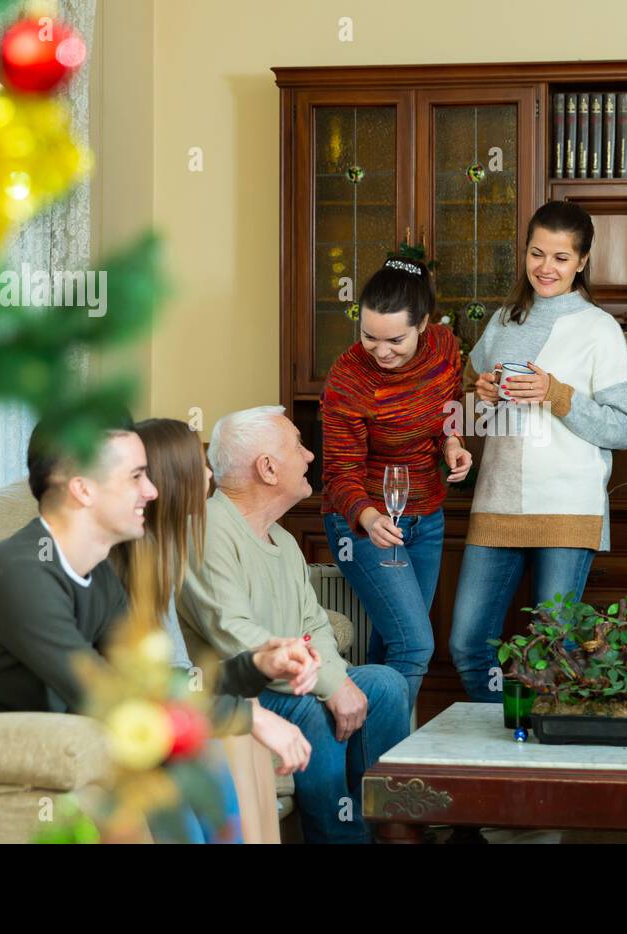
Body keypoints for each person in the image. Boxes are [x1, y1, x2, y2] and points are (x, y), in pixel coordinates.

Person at [0, 419, 316, 842]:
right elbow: (106, 699)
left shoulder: (97, 574)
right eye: (136, 477)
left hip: (46, 738)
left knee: (185, 766)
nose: (152, 491)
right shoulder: (22, 576)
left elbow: (151, 684)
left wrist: (256, 666)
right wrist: (247, 715)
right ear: (83, 489)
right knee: (165, 780)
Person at [179, 405, 411, 844]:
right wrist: (328, 686)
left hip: (294, 677)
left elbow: (315, 623)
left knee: (386, 683)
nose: (310, 456)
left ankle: (391, 829)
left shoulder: (283, 541)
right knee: (311, 707)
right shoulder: (206, 531)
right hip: (238, 686)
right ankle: (339, 838)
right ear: (267, 468)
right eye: (299, 447)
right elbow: (235, 637)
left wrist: (336, 679)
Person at [448, 199, 627, 702]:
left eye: (560, 257)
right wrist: (479, 395)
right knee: (468, 644)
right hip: (497, 500)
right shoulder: (503, 322)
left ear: (581, 262)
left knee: (554, 648)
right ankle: (508, 739)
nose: (545, 268)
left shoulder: (600, 330)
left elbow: (624, 429)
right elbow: (467, 403)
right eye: (537, 253)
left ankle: (539, 757)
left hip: (566, 507)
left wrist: (556, 394)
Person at [109, 418, 318, 842]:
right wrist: (248, 712)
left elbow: (181, 674)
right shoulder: (123, 564)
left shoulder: (159, 554)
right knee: (229, 740)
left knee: (236, 737)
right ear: (172, 479)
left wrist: (260, 664)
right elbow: (153, 687)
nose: (209, 475)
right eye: (199, 465)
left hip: (155, 713)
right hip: (124, 727)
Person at [321, 257, 470, 709]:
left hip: (427, 517)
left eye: (395, 340)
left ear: (424, 324)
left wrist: (452, 442)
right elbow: (339, 473)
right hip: (362, 521)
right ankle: (390, 759)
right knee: (414, 644)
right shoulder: (348, 378)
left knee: (393, 640)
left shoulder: (445, 346)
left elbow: (450, 402)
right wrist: (369, 517)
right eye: (369, 337)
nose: (381, 351)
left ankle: (366, 757)